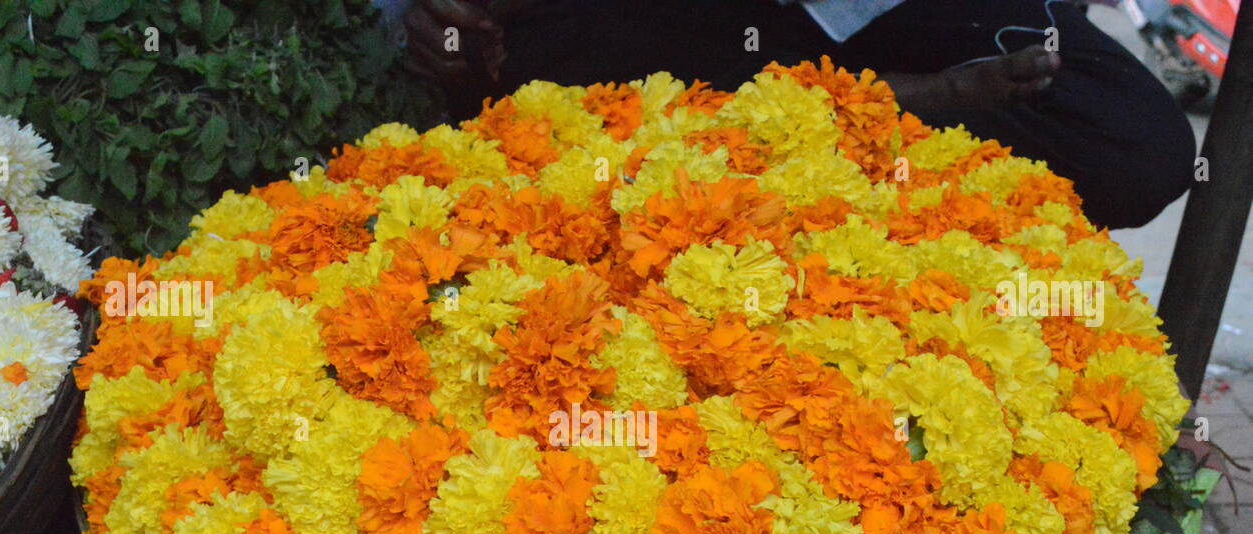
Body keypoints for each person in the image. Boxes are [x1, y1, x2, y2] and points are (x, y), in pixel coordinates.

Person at [389, 0, 1196, 229]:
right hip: (708, 27)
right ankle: (883, 98)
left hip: (905, 12)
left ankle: (856, 99)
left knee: (1135, 148)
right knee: (509, 87)